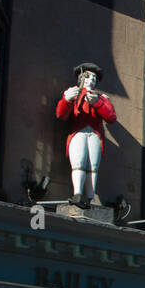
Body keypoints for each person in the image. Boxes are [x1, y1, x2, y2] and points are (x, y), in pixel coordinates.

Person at [55, 61, 117, 207]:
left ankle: (90, 196)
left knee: (93, 166)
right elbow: (61, 115)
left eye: (94, 78)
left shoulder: (101, 98)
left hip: (94, 134)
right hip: (79, 132)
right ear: (81, 78)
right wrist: (66, 100)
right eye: (89, 77)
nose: (92, 80)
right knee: (79, 163)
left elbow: (111, 117)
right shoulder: (73, 94)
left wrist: (98, 103)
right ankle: (78, 193)